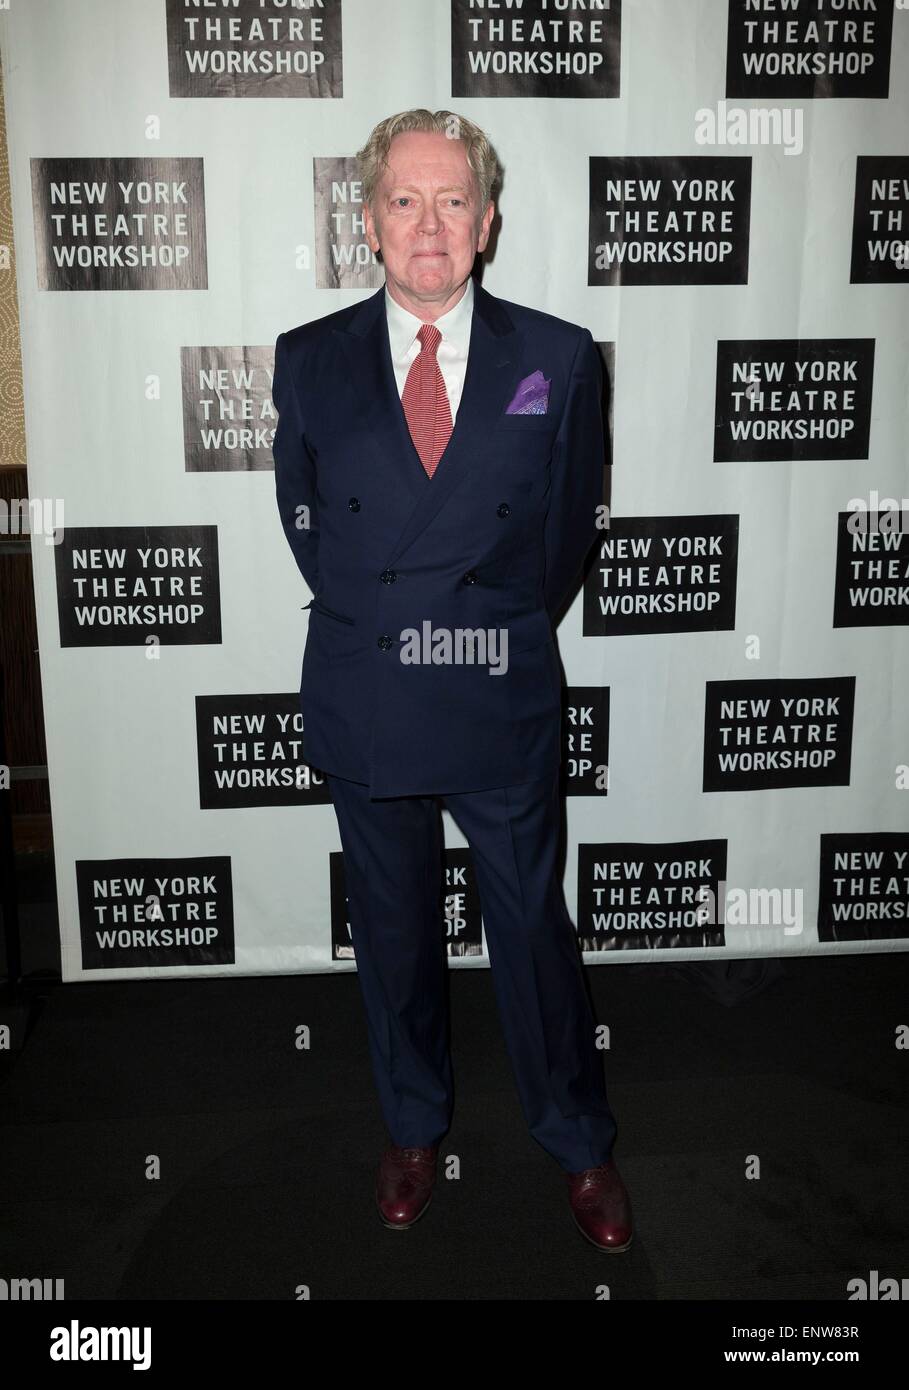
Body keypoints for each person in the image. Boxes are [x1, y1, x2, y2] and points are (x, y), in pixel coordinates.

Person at [272, 108, 631, 1252]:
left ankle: (578, 1137)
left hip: (496, 684)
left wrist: (490, 627)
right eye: (405, 201)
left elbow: (568, 530)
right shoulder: (309, 356)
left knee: (530, 926)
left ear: (488, 221)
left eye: (453, 200)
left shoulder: (557, 356)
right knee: (392, 925)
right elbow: (309, 522)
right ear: (368, 220)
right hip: (369, 687)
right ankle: (414, 1124)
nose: (430, 225)